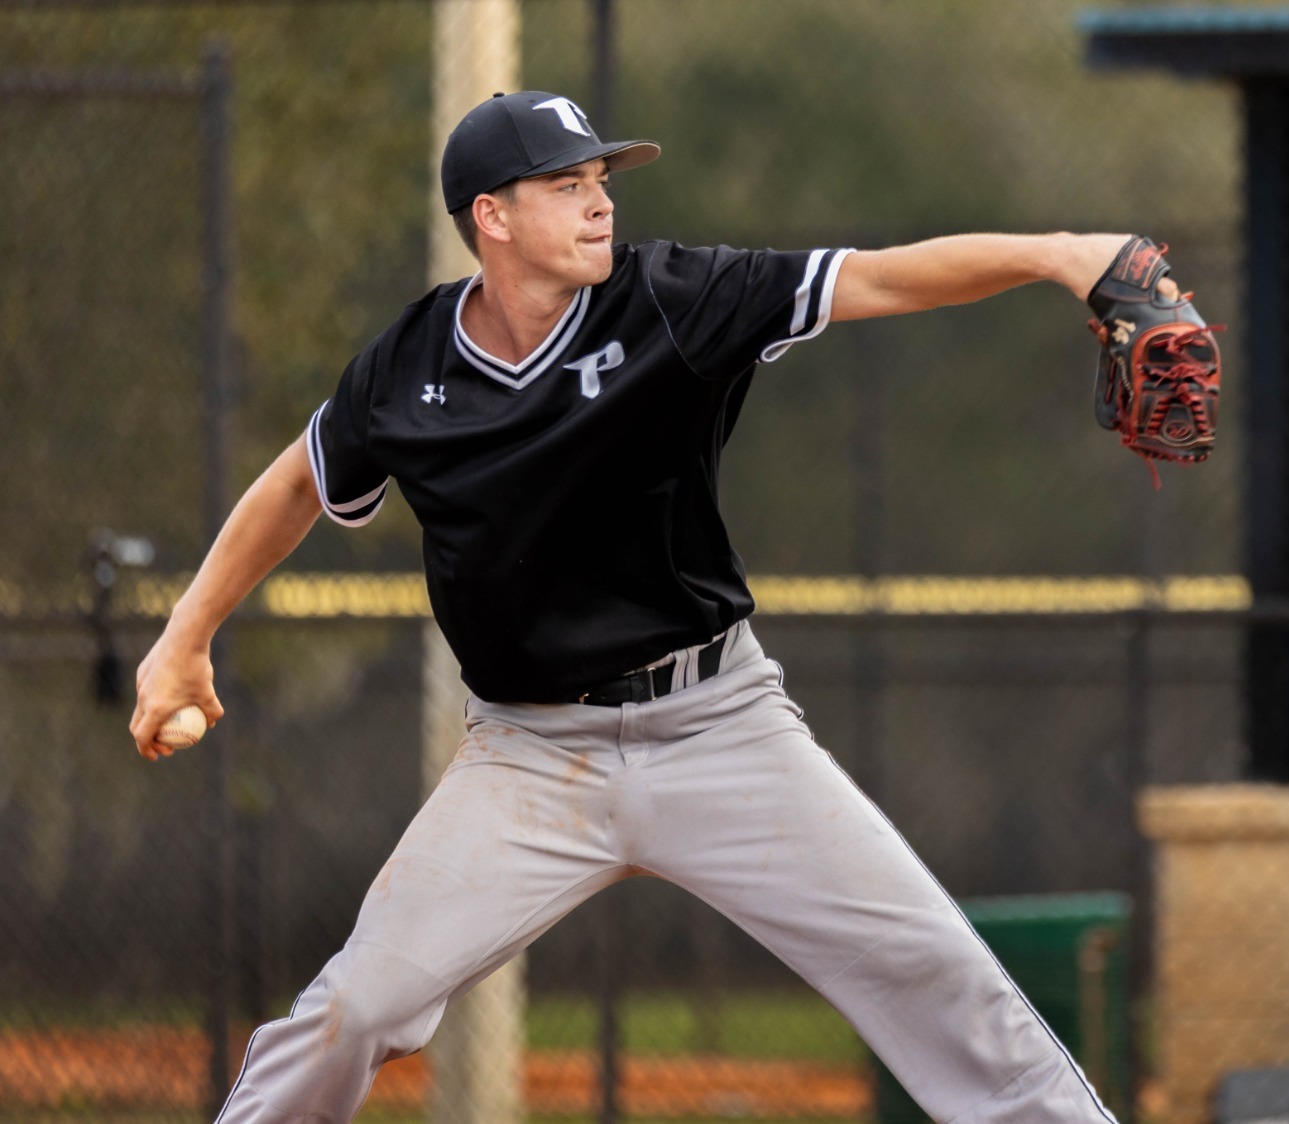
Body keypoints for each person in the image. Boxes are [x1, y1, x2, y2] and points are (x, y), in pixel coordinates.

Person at [127, 91, 1153, 1124]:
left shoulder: (672, 297)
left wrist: (1061, 254)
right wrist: (185, 636)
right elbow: (301, 480)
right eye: (565, 185)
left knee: (937, 976)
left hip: (719, 727)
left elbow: (876, 277)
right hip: (529, 757)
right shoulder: (406, 369)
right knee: (351, 1009)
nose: (597, 205)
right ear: (491, 216)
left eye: (601, 182)